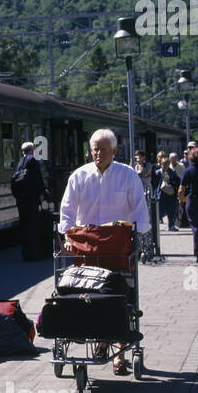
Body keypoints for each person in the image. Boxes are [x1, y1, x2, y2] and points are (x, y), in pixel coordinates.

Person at [59, 128, 150, 374]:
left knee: (121, 299)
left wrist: (138, 236)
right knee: (92, 299)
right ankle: (100, 344)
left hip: (119, 251)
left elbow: (140, 210)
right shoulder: (79, 176)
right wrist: (68, 237)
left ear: (114, 151)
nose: (97, 154)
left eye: (103, 149)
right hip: (87, 251)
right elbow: (67, 210)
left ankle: (118, 352)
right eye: (94, 149)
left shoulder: (127, 176)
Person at [11, 141, 51, 261]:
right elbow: (37, 179)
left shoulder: (20, 162)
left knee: (24, 226)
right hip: (31, 200)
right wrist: (43, 193)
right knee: (33, 226)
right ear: (32, 150)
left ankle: (26, 253)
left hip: (21, 200)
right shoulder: (33, 161)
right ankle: (35, 254)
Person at [157, 153, 181, 231]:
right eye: (163, 165)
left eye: (166, 165)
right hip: (160, 195)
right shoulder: (158, 172)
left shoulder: (173, 172)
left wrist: (172, 186)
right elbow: (154, 183)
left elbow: (177, 182)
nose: (164, 166)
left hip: (170, 195)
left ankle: (171, 225)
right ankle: (156, 227)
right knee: (159, 211)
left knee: (171, 211)